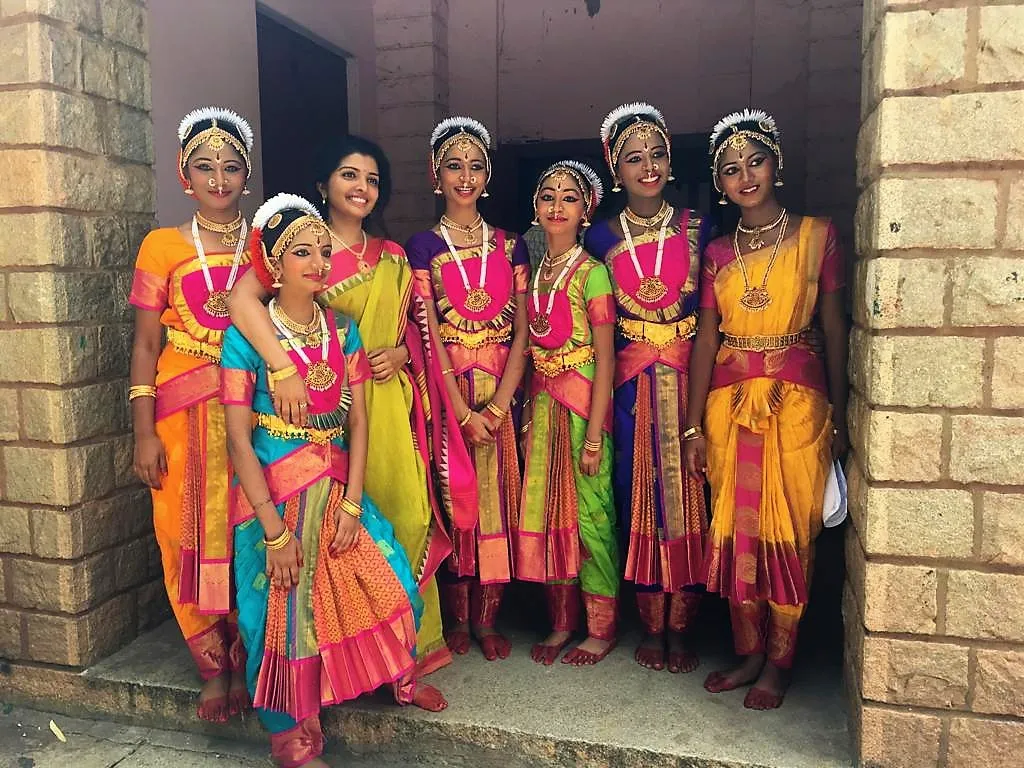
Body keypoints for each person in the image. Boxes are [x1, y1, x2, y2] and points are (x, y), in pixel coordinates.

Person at [228, 136, 454, 686]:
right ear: (323, 184)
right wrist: (282, 370)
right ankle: (319, 685)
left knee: (400, 522)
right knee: (315, 563)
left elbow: (417, 335)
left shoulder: (393, 257)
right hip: (300, 419)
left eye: (373, 180)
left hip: (380, 404)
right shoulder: (294, 239)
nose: (362, 188)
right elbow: (241, 304)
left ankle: (405, 663)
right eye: (350, 174)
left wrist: (400, 353)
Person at [684, 109, 849, 710]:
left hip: (798, 404)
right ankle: (749, 653)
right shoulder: (718, 252)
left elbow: (833, 324)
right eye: (730, 169)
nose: (744, 176)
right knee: (734, 532)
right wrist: (694, 425)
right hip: (729, 406)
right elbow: (706, 338)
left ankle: (780, 662)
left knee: (789, 533)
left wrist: (841, 410)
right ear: (719, 182)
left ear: (777, 162)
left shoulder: (816, 234)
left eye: (755, 161)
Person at [128, 106, 254, 722]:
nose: (219, 179)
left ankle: (249, 656)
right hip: (179, 413)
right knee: (182, 533)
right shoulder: (161, 246)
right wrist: (142, 431)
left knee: (243, 531)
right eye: (205, 167)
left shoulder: (265, 243)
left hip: (249, 414)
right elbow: (147, 346)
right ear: (184, 173)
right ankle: (212, 666)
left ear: (247, 175)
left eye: (232, 167)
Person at [585, 103, 711, 674]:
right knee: (635, 494)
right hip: (630, 381)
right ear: (616, 168)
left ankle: (681, 629)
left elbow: (713, 313)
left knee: (686, 497)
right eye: (634, 158)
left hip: (687, 377)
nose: (649, 166)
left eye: (657, 154)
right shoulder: (599, 235)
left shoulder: (698, 225)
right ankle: (649, 625)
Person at [405, 117, 529, 661]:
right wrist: (459, 410)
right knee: (453, 500)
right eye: (454, 165)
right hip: (446, 390)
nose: (465, 176)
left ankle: (488, 620)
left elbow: (526, 329)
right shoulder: (422, 246)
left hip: (503, 387)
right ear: (436, 175)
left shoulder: (510, 245)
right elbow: (427, 333)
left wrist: (499, 405)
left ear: (488, 176)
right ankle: (456, 618)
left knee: (498, 500)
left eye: (476, 165)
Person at [516, 160, 619, 666]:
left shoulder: (593, 274)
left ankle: (600, 629)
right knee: (550, 514)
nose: (557, 206)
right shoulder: (536, 273)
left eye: (569, 197)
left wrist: (596, 435)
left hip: (582, 412)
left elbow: (606, 359)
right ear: (535, 208)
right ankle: (561, 623)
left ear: (586, 210)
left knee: (592, 518)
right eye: (548, 196)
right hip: (542, 410)